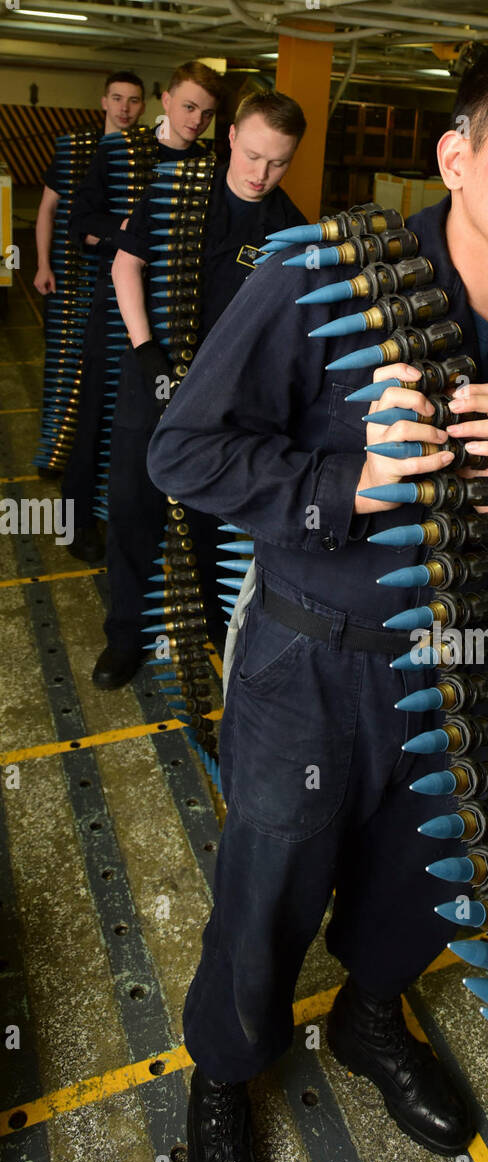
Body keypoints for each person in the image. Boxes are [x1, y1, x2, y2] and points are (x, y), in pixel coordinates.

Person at [147, 41, 488, 1162]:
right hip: (306, 658)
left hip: (454, 664)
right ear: (457, 158)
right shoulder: (325, 278)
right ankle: (226, 1083)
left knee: (420, 883)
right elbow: (184, 451)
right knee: (267, 889)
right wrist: (344, 486)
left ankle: (369, 1018)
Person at [90, 90, 307, 690]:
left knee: (216, 518)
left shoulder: (290, 229)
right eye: (254, 155)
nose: (262, 175)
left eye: (279, 163)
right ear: (231, 137)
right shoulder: (171, 189)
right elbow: (124, 265)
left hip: (228, 404)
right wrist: (144, 351)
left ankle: (211, 624)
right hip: (152, 377)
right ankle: (125, 638)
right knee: (136, 512)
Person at [62, 61, 222, 564]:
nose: (196, 120)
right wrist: (129, 228)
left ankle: (138, 534)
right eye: (190, 106)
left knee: (142, 433)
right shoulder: (118, 152)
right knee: (92, 420)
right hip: (114, 312)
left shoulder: (212, 165)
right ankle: (75, 525)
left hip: (173, 318)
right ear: (167, 99)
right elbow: (81, 222)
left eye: (208, 113)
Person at [33, 71, 146, 299]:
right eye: (117, 98)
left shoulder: (147, 155)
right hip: (72, 264)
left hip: (122, 267)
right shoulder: (74, 151)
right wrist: (43, 265)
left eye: (133, 101)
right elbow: (48, 210)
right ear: (104, 102)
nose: (124, 108)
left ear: (142, 107)